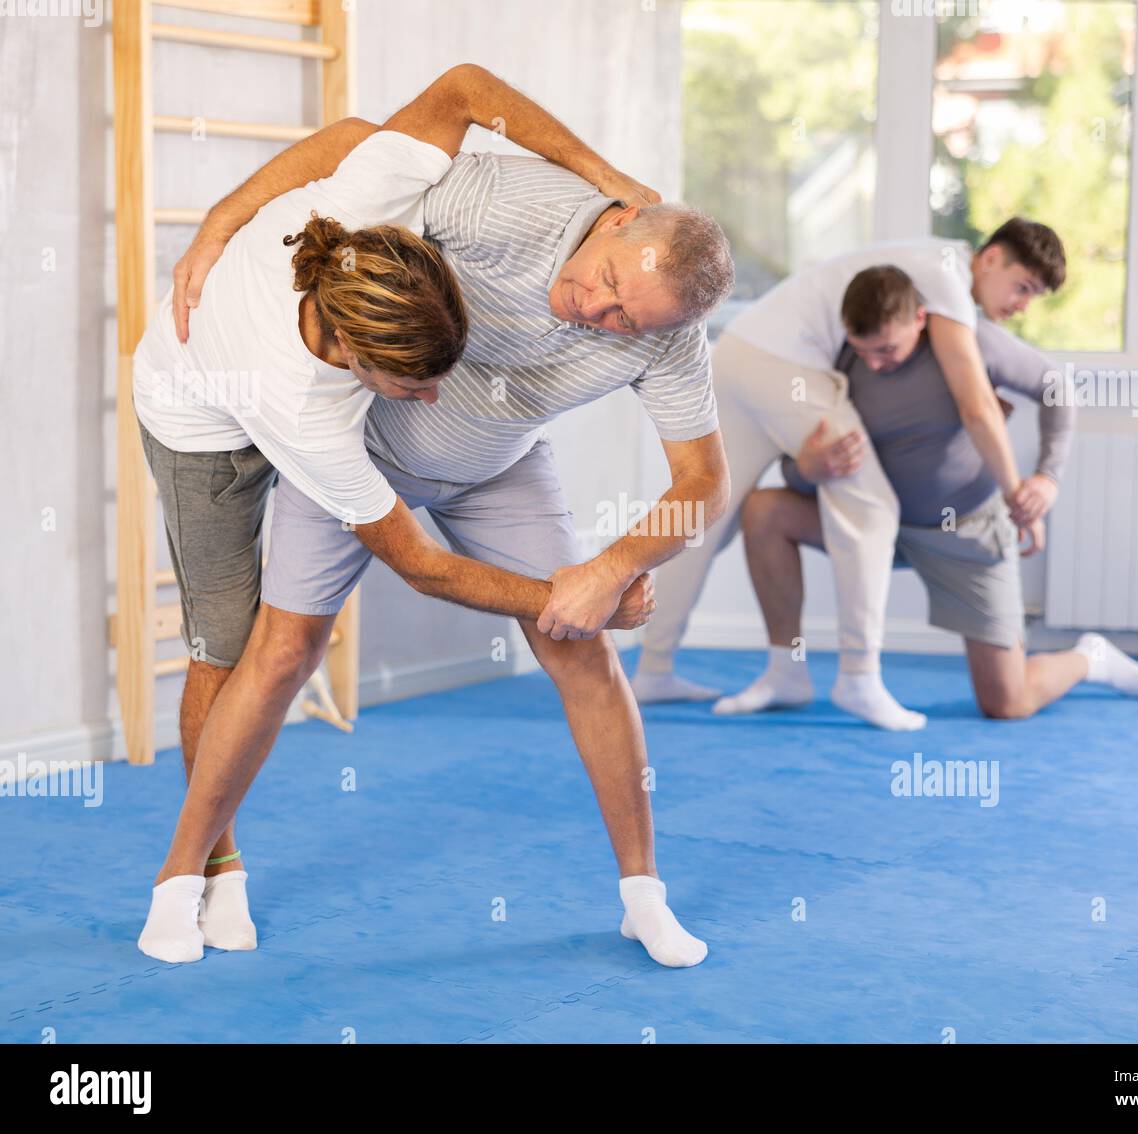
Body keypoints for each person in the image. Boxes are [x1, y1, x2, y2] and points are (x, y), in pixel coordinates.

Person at [137, 72, 735, 969]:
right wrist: (219, 223)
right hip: (358, 455)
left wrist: (610, 567)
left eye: (624, 321)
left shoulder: (665, 330)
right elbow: (363, 138)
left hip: (496, 466)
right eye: (606, 283)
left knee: (580, 651)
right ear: (616, 219)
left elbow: (704, 482)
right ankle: (182, 882)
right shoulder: (504, 200)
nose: (596, 312)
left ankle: (642, 895)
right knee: (278, 650)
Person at [632, 220, 1067, 730]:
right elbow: (977, 409)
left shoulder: (919, 262)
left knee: (705, 515)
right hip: (783, 363)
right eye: (1022, 288)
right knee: (871, 506)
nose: (1022, 305)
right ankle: (859, 676)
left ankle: (655, 668)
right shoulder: (947, 277)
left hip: (735, 352)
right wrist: (1020, 495)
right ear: (989, 259)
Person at [730, 265, 1138, 719]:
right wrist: (806, 468)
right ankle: (786, 671)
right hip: (877, 526)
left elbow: (1056, 387)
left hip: (966, 529)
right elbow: (805, 455)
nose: (874, 364)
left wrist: (1046, 478)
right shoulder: (838, 357)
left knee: (1007, 702)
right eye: (864, 351)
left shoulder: (972, 342)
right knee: (764, 510)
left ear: (920, 319)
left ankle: (1090, 658)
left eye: (886, 350)